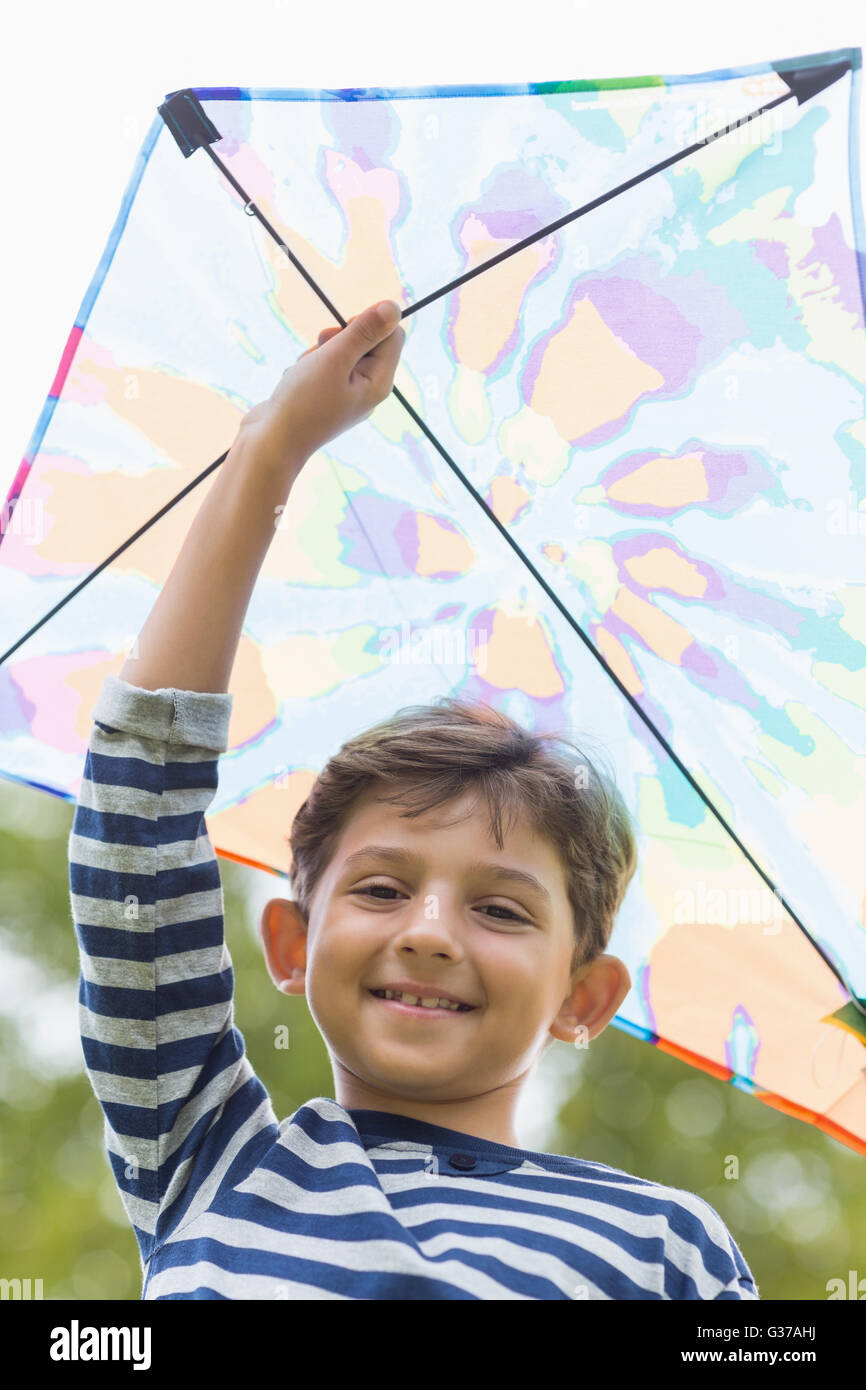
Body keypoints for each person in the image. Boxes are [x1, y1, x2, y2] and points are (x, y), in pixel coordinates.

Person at [68, 298, 759, 1300]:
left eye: (499, 907)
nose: (429, 931)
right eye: (383, 888)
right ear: (293, 944)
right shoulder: (206, 1158)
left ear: (584, 995)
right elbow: (139, 807)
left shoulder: (661, 1245)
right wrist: (268, 455)